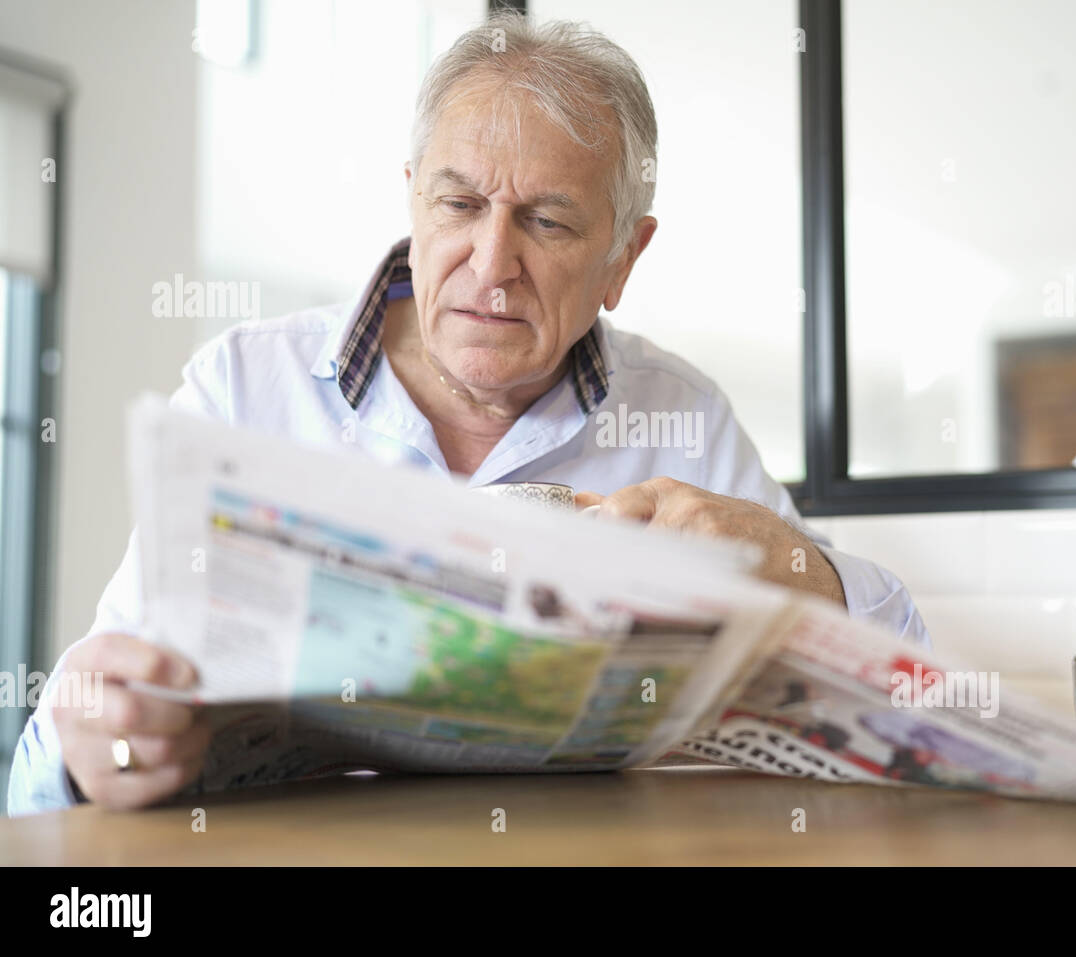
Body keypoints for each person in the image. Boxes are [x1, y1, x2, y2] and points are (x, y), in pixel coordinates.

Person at [8, 13, 930, 816]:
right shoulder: (242, 390)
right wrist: (103, 749)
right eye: (459, 203)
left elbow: (903, 698)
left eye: (549, 222)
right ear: (413, 195)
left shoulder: (681, 414)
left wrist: (799, 569)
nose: (492, 264)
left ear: (624, 256)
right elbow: (60, 761)